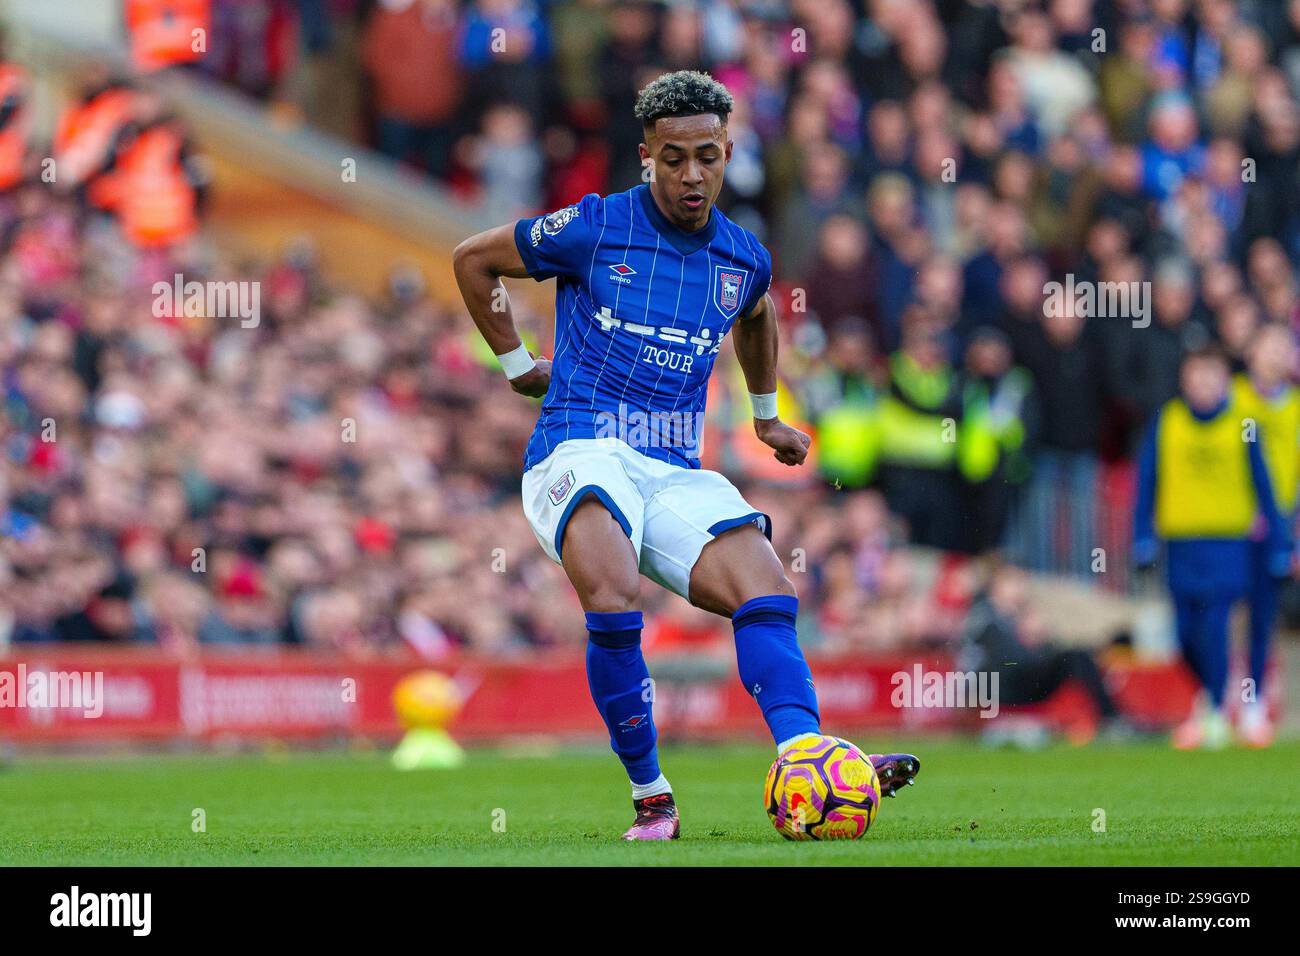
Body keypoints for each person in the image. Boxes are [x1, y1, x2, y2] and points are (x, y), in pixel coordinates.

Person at [453, 70, 919, 841]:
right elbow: (474, 260)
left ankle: (809, 757)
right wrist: (518, 366)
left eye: (706, 156)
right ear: (647, 156)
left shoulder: (743, 257)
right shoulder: (595, 227)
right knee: (611, 583)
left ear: (728, 152)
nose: (691, 174)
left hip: (672, 461)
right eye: (673, 159)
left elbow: (758, 317)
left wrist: (767, 417)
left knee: (764, 584)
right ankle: (652, 797)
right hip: (580, 443)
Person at [1133, 345, 1291, 750]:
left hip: (1228, 541)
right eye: (1196, 375)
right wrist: (1142, 534)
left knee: (1216, 621)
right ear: (1184, 379)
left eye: (1211, 376)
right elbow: (1148, 479)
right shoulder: (1168, 420)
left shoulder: (1243, 423)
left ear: (1225, 381)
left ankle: (1218, 710)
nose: (1202, 384)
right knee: (1184, 631)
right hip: (1181, 542)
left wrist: (1277, 541)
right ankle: (1212, 696)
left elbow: (1265, 486)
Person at [1229, 323, 1300, 747]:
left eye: (1284, 347)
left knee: (1263, 615)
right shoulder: (1233, 398)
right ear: (1251, 350)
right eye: (1268, 346)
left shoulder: (1295, 407)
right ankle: (1222, 693)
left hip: (1277, 527)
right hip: (1232, 524)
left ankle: (1254, 700)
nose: (1276, 355)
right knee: (1223, 611)